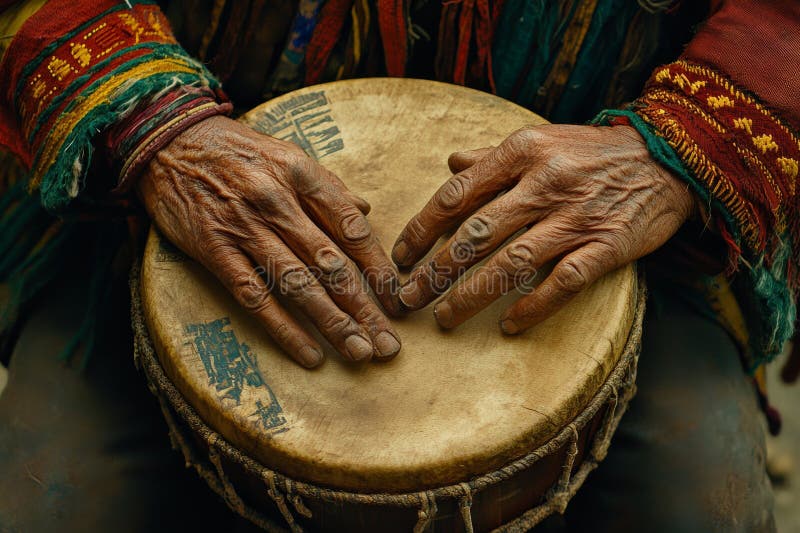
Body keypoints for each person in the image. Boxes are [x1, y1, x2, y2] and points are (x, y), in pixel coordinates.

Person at [0, 0, 797, 530]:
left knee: (704, 503)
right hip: (162, 187)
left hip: (616, 190)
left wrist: (678, 149)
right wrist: (152, 125)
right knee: (54, 498)